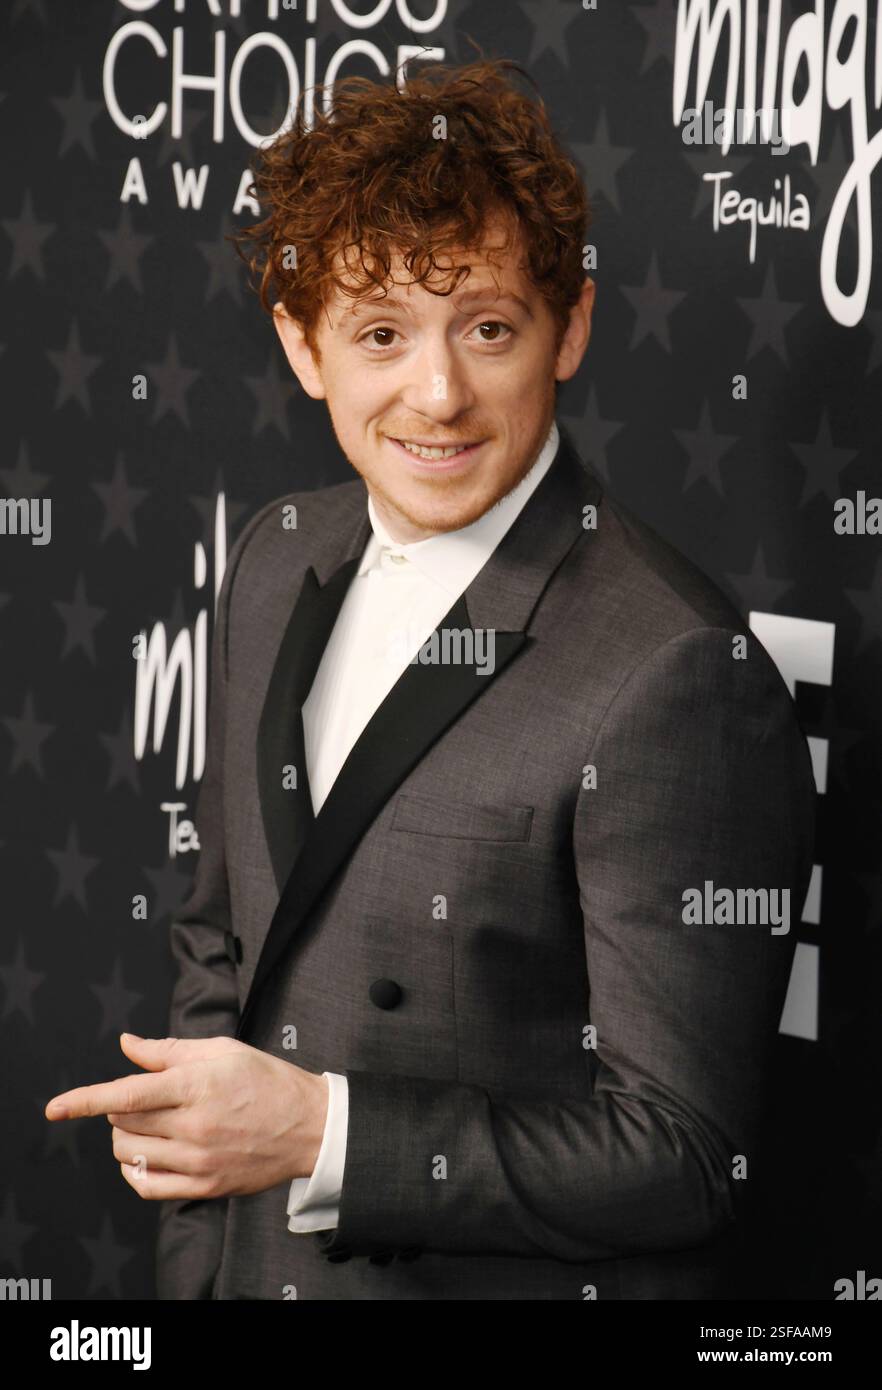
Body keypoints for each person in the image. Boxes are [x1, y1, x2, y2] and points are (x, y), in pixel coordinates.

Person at [47, 58, 816, 1300]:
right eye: (382, 333)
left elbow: (685, 1153)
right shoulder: (274, 555)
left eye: (490, 328)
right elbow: (220, 950)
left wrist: (323, 1137)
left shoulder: (673, 670)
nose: (440, 393)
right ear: (304, 348)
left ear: (571, 328)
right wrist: (198, 1264)